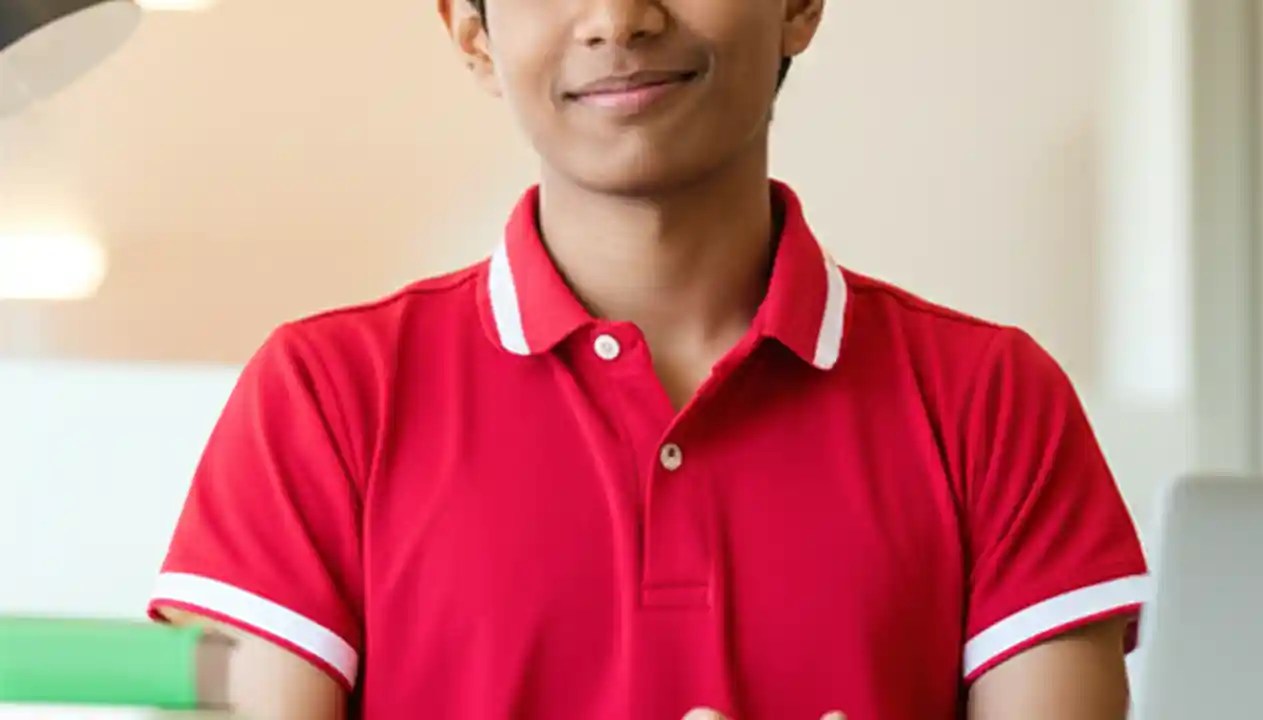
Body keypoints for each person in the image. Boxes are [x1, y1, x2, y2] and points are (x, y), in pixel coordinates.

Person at [148, 0, 1148, 718]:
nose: (618, 18)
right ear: (470, 31)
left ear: (799, 6)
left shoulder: (992, 399)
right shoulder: (324, 395)